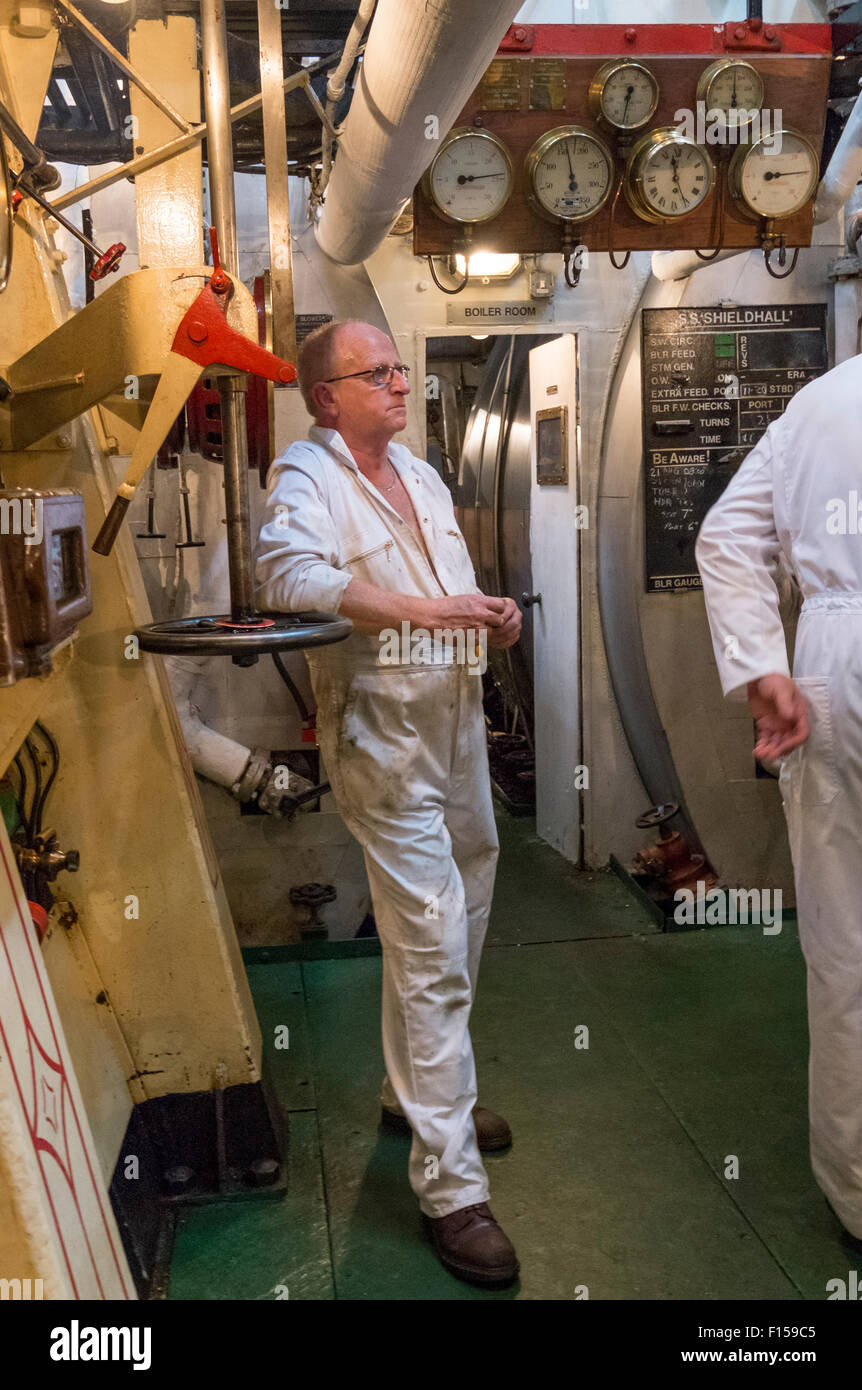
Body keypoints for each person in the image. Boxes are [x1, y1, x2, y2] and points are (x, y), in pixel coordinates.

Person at [254, 319, 523, 1284]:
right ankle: (452, 1190)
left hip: (452, 727)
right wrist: (422, 612)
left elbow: (447, 587)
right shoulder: (307, 477)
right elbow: (286, 578)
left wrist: (487, 613)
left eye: (400, 369)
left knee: (474, 898)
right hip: (383, 738)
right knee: (432, 943)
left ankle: (417, 1098)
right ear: (327, 396)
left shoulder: (424, 476)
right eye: (378, 374)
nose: (400, 384)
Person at [695, 351, 862, 1255]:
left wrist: (765, 665)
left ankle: (859, 1192)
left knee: (845, 947)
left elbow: (723, 539)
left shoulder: (820, 402)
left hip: (833, 663)